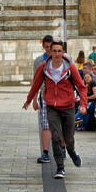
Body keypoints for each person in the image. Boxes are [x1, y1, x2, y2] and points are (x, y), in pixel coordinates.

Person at [24, 39, 87, 179]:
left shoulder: (70, 67)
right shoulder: (44, 67)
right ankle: (60, 167)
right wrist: (29, 100)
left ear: (63, 52)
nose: (57, 54)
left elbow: (82, 87)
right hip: (51, 106)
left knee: (69, 138)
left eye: (59, 51)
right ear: (50, 52)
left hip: (68, 106)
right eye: (54, 51)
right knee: (56, 137)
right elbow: (36, 85)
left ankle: (72, 152)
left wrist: (83, 104)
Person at [32, 34, 58, 164]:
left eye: (50, 46)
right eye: (46, 47)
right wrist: (34, 98)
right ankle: (46, 152)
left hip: (60, 96)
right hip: (44, 95)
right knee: (45, 124)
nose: (48, 49)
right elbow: (36, 81)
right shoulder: (38, 61)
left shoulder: (61, 59)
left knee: (59, 124)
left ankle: (61, 148)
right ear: (43, 47)